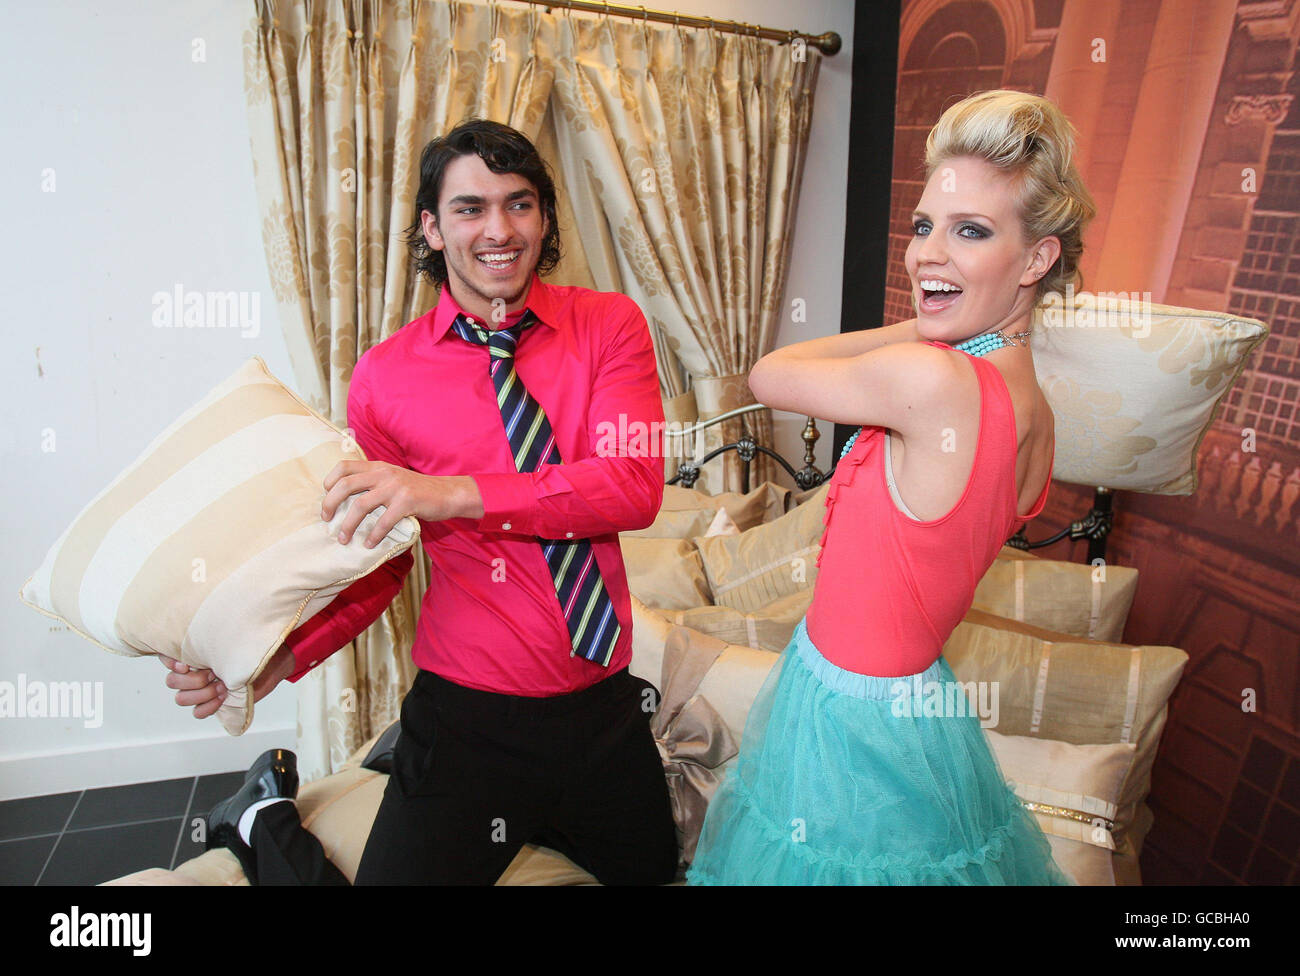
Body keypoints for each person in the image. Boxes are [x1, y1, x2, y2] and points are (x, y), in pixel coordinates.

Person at [160, 119, 679, 885]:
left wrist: (449, 494)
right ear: (433, 229)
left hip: (603, 713)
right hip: (466, 723)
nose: (499, 230)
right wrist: (273, 661)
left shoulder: (610, 327)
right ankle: (265, 820)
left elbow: (629, 487)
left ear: (543, 218)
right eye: (470, 208)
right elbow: (378, 562)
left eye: (520, 203)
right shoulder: (383, 378)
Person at [687, 90, 1095, 885]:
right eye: (922, 226)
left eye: (969, 231)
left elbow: (769, 373)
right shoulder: (1035, 410)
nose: (924, 254)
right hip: (912, 703)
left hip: (850, 722)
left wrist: (926, 323)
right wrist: (954, 306)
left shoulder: (933, 379)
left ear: (1039, 259)